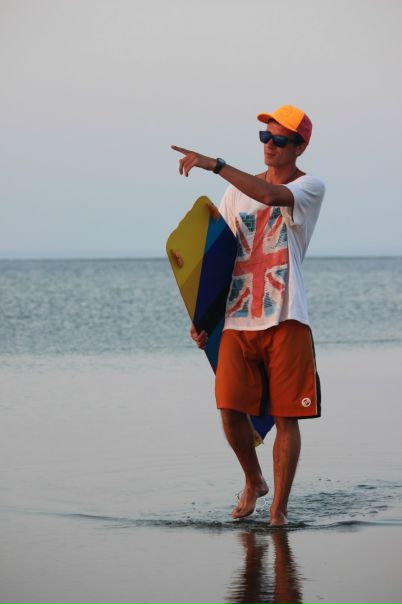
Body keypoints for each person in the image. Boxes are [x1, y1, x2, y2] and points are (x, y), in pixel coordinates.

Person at [171, 104, 325, 525]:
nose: (269, 146)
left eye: (279, 140)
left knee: (287, 418)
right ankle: (254, 481)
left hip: (286, 318)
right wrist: (203, 317)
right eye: (264, 137)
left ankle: (279, 510)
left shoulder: (310, 186)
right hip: (238, 320)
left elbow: (272, 196)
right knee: (229, 409)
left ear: (299, 147)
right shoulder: (235, 193)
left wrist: (216, 165)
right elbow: (218, 257)